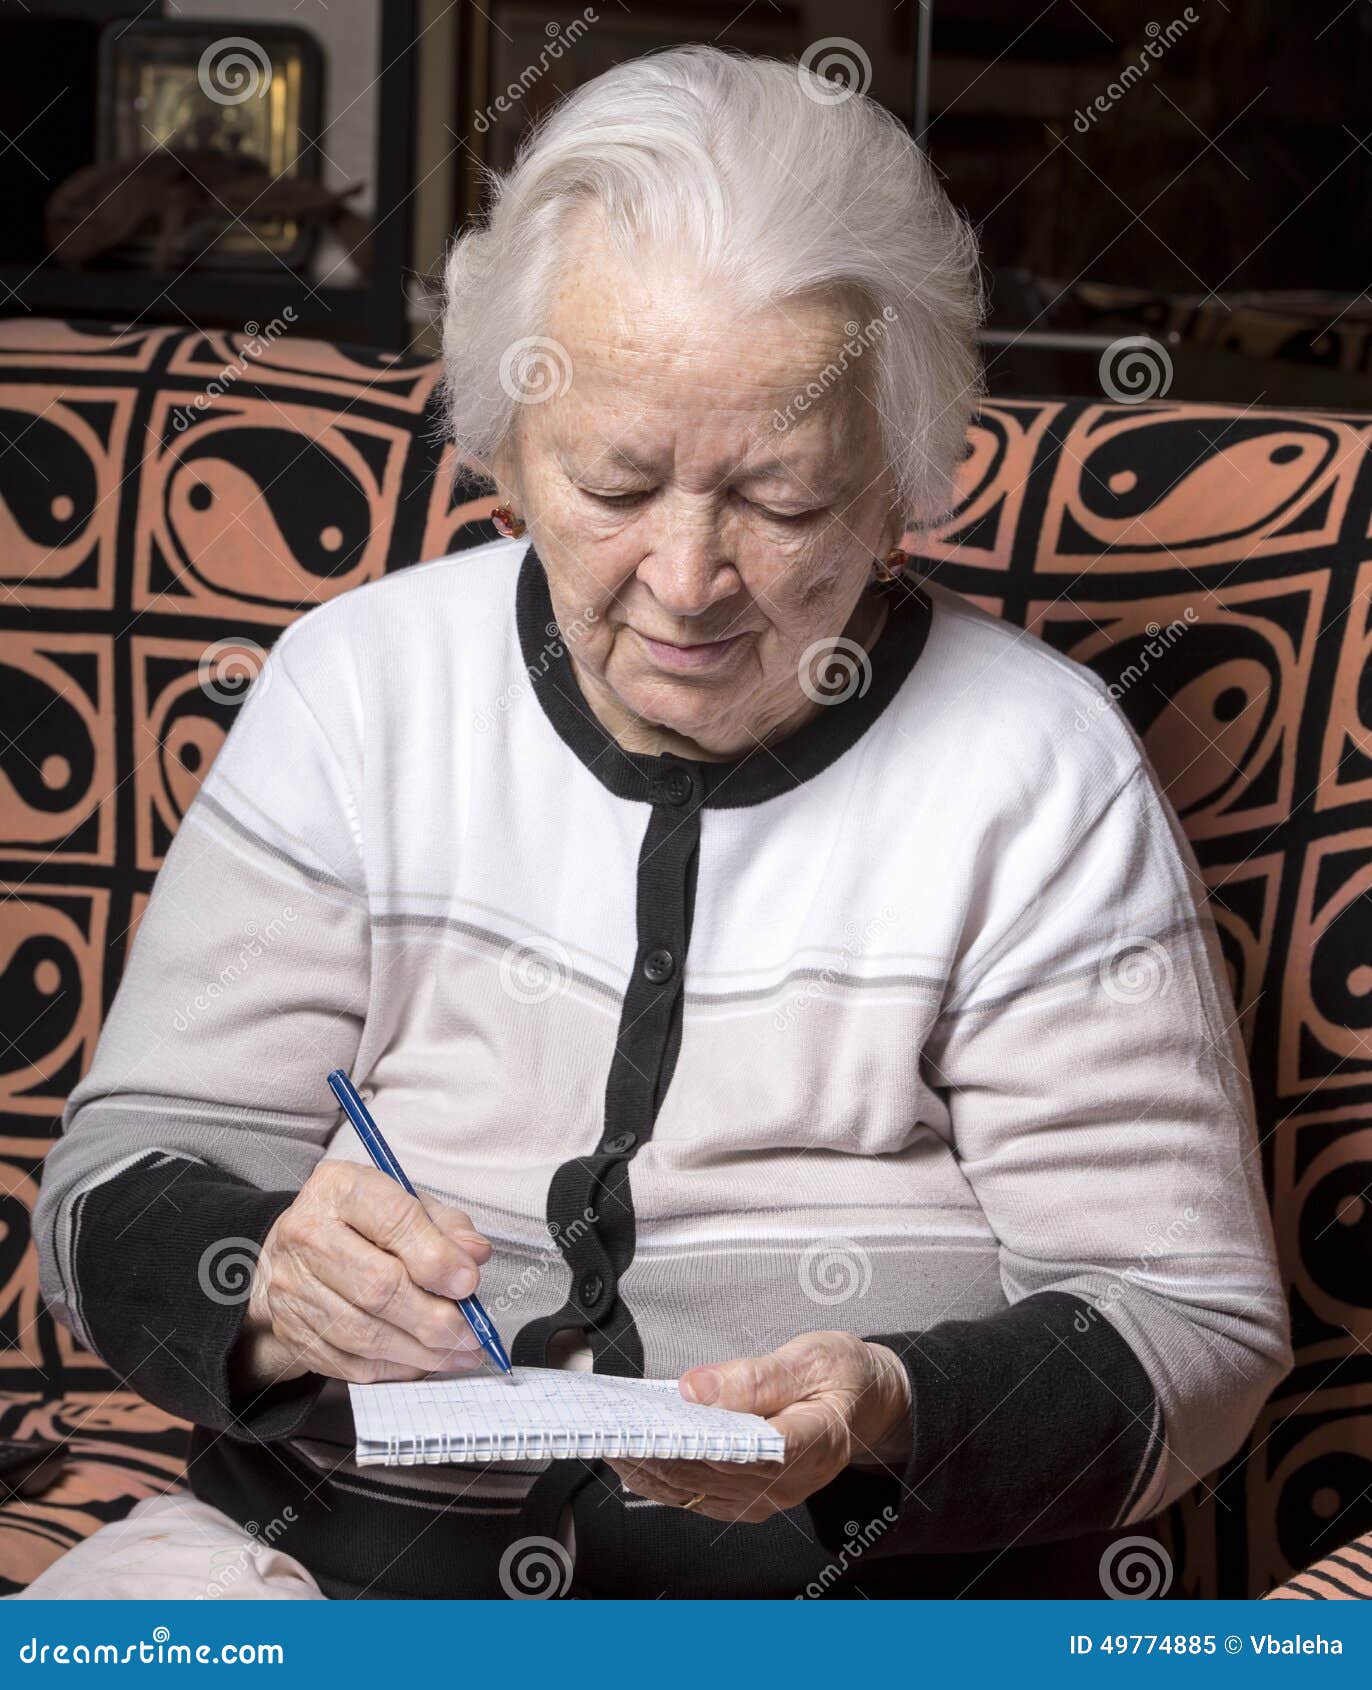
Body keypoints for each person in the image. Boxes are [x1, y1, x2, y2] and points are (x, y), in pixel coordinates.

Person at [28, 44, 1290, 1600]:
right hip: (319, 1564)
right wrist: (268, 1285)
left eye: (780, 500)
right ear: (502, 447)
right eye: (616, 484)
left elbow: (1195, 1326)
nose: (688, 581)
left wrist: (891, 1405)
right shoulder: (359, 687)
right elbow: (110, 1192)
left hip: (826, 1611)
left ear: (901, 481)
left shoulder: (1038, 769)